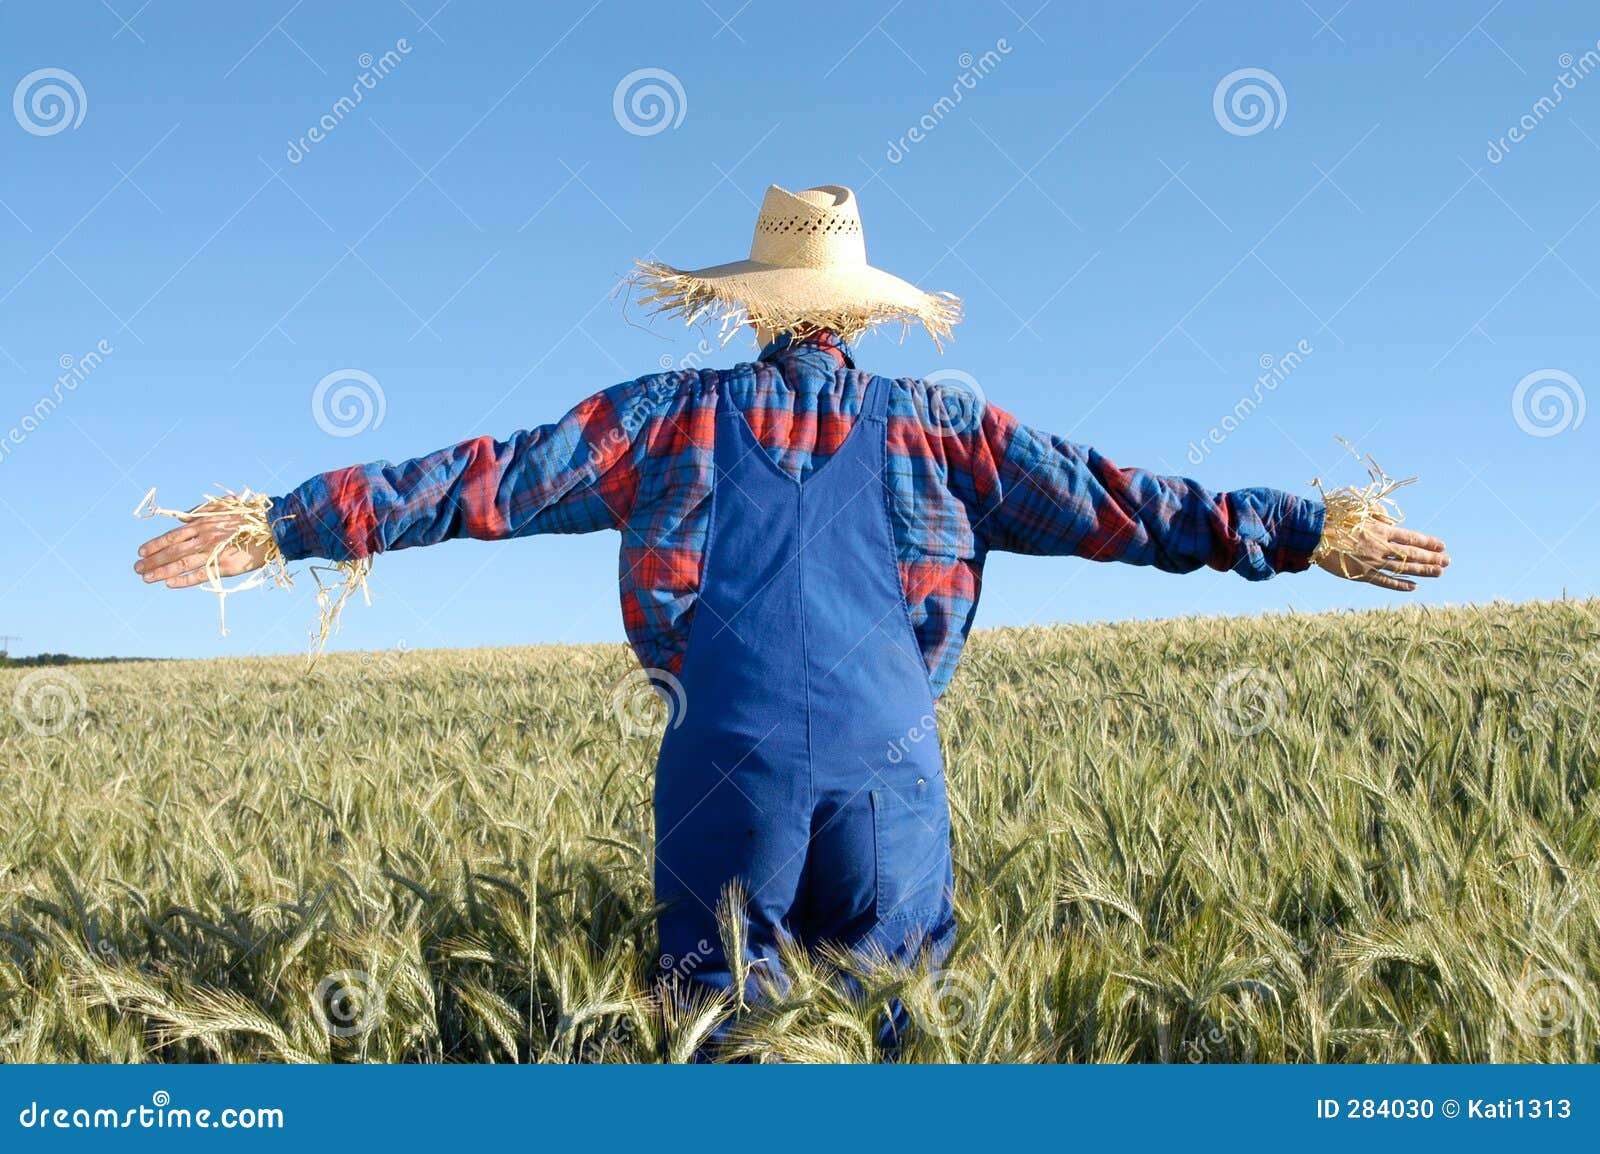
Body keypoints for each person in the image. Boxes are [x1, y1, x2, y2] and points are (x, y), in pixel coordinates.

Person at [132, 184, 1449, 1046]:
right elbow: (1126, 502)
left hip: (724, 777)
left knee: (717, 1042)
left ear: (753, 309)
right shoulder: (946, 430)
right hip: (894, 785)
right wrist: (1305, 526)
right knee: (891, 1038)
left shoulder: (662, 419)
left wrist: (279, 521)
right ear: (861, 318)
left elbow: (483, 478)